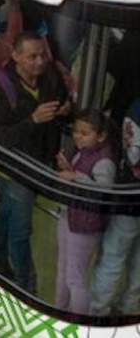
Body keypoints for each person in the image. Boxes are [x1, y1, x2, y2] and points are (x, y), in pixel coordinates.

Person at [0, 30, 71, 293]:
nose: (39, 61)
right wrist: (33, 120)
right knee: (21, 231)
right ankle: (26, 288)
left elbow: (61, 107)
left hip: (38, 163)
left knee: (7, 213)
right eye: (32, 56)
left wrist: (63, 112)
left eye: (42, 54)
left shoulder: (49, 78)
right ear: (15, 56)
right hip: (12, 169)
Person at [54, 110, 116, 315]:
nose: (78, 136)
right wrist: (69, 167)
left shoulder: (104, 161)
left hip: (84, 225)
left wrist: (75, 176)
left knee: (75, 277)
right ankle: (58, 311)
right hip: (70, 217)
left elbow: (102, 193)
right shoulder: (84, 152)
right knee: (63, 270)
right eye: (76, 131)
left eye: (85, 132)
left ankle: (76, 320)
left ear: (101, 136)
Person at [90, 100, 140, 316]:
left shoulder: (136, 109)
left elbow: (133, 156)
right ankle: (128, 307)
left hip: (129, 199)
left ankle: (98, 312)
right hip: (130, 198)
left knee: (113, 257)